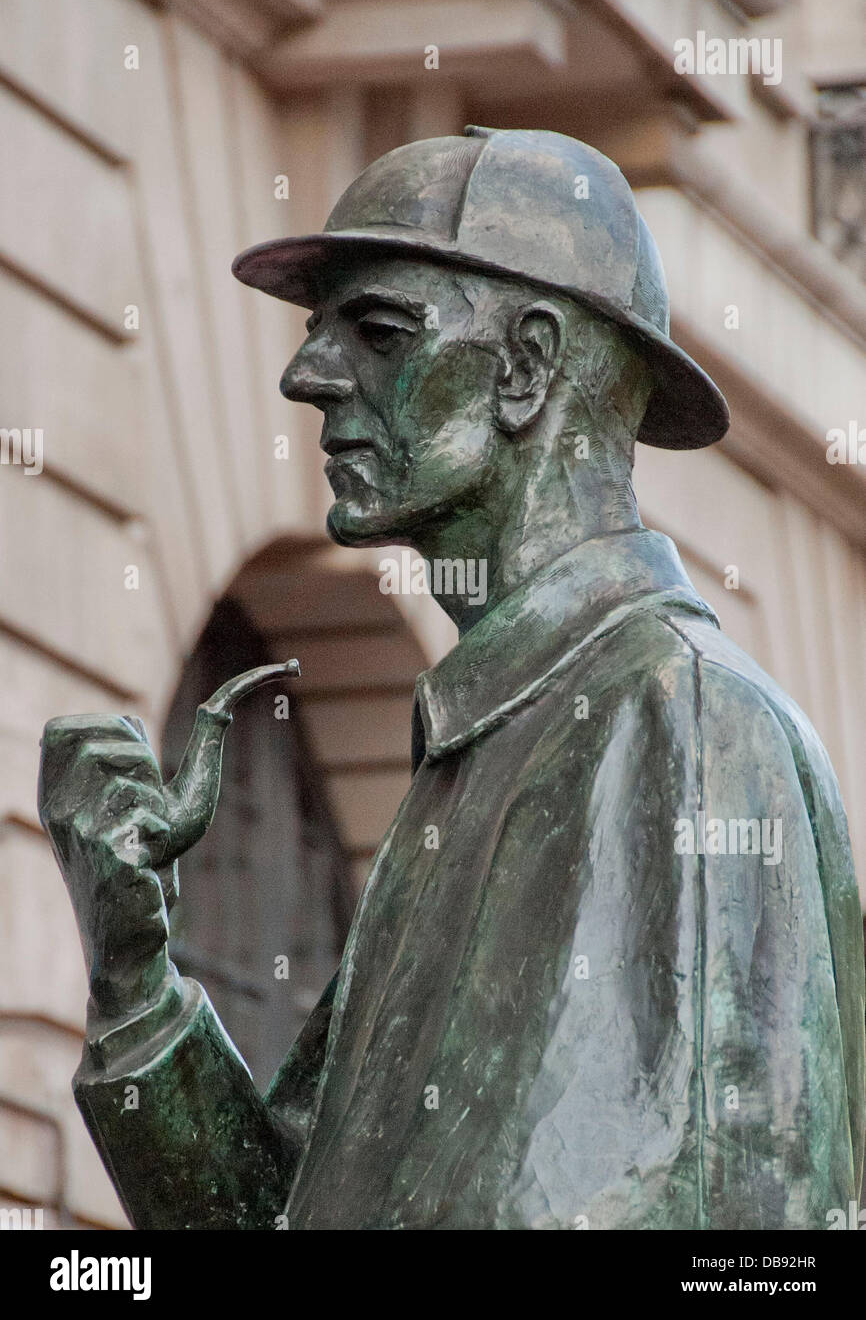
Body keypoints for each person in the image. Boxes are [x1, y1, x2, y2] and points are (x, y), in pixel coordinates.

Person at [38, 127, 865, 1229]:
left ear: (525, 366)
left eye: (376, 330)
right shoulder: (485, 751)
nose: (306, 374)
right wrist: (137, 979)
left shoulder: (687, 723)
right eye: (317, 330)